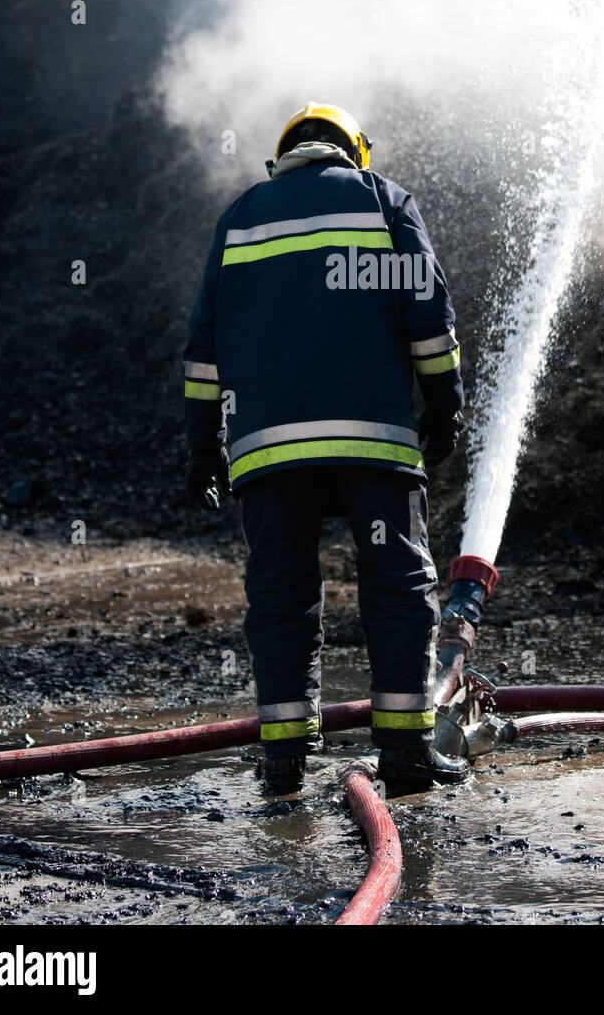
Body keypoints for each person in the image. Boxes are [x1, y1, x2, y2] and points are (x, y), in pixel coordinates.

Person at [183, 102, 467, 792]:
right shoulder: (384, 200)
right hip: (372, 439)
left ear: (285, 155)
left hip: (266, 451)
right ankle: (403, 751)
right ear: (351, 151)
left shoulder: (240, 216)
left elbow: (203, 348)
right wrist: (446, 405)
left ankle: (283, 761)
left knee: (281, 594)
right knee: (397, 587)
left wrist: (203, 449)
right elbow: (427, 314)